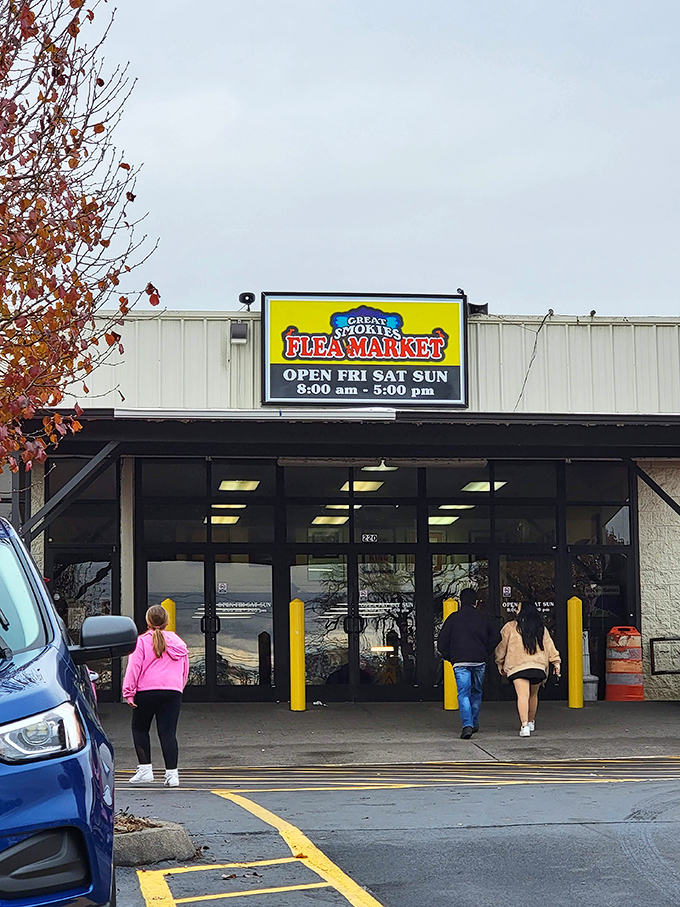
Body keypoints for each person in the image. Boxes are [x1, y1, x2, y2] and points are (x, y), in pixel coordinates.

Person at [122, 605, 189, 787]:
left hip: (147, 691)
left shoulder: (142, 641)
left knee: (140, 729)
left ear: (148, 622)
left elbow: (134, 668)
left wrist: (129, 692)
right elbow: (185, 669)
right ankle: (172, 775)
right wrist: (178, 688)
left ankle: (145, 770)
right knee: (168, 733)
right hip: (172, 691)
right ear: (167, 621)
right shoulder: (178, 642)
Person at [436, 588, 501, 739]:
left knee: (463, 693)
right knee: (476, 692)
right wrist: (486, 652)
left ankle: (467, 725)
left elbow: (441, 642)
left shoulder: (453, 618)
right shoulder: (484, 618)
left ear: (460, 601)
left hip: (460, 661)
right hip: (479, 660)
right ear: (476, 602)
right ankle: (474, 721)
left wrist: (449, 657)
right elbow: (496, 637)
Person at [495, 601, 561, 737]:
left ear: (522, 611)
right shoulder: (540, 628)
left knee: (522, 695)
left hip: (518, 666)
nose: (516, 611)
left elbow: (501, 647)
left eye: (518, 608)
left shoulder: (510, 627)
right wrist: (556, 662)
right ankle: (531, 722)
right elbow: (549, 646)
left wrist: (499, 662)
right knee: (533, 695)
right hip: (538, 667)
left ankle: (524, 725)